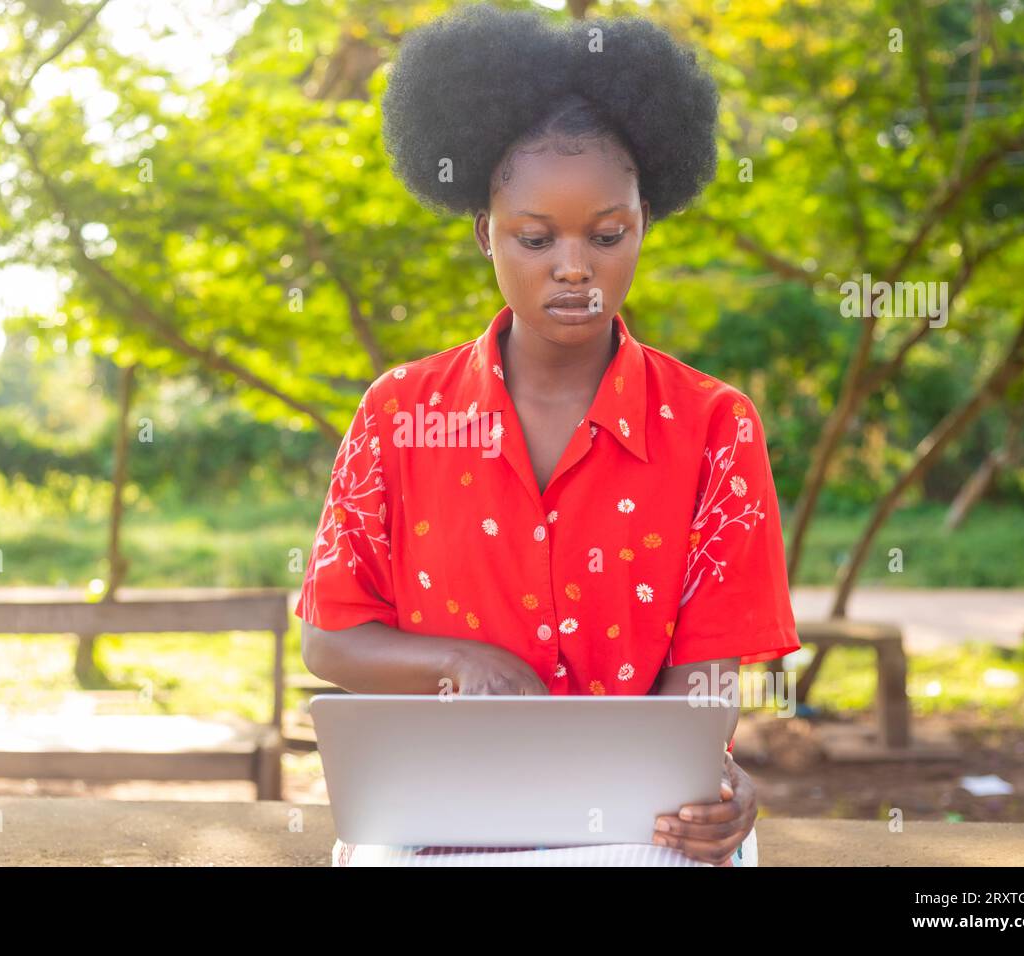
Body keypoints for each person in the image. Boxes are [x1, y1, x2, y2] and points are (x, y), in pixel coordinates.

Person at [296, 4, 800, 867]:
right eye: (536, 238)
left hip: (639, 824)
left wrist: (707, 771)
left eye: (607, 234)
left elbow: (712, 664)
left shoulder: (717, 425)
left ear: (645, 223)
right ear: (487, 234)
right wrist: (461, 663)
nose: (574, 265)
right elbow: (331, 638)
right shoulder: (398, 411)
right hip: (435, 809)